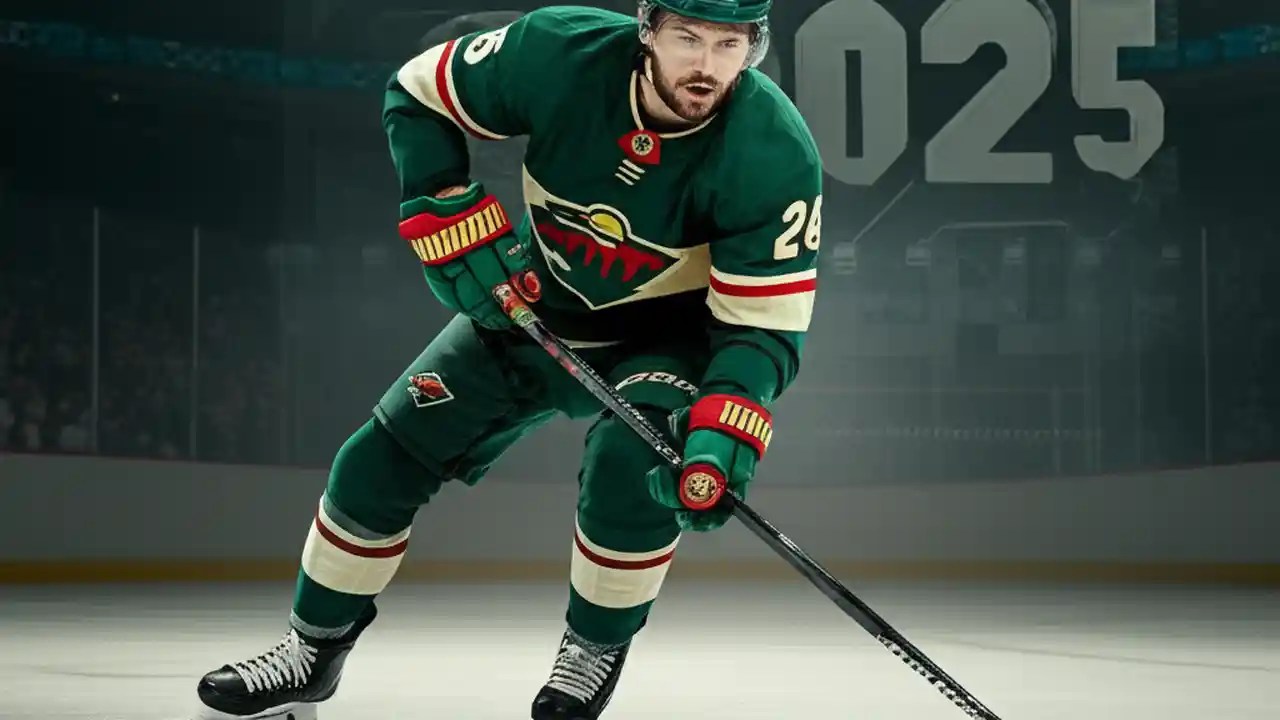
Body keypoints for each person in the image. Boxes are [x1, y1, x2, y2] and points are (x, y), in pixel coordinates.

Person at [193, 1, 822, 718]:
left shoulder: (774, 153)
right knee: (376, 461)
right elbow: (418, 91)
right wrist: (438, 198)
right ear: (647, 28)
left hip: (665, 343)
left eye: (727, 44)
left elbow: (763, 327)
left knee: (631, 468)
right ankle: (312, 652)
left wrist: (723, 425)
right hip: (530, 306)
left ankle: (592, 652)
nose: (706, 66)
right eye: (686, 38)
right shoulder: (555, 52)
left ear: (753, 47)